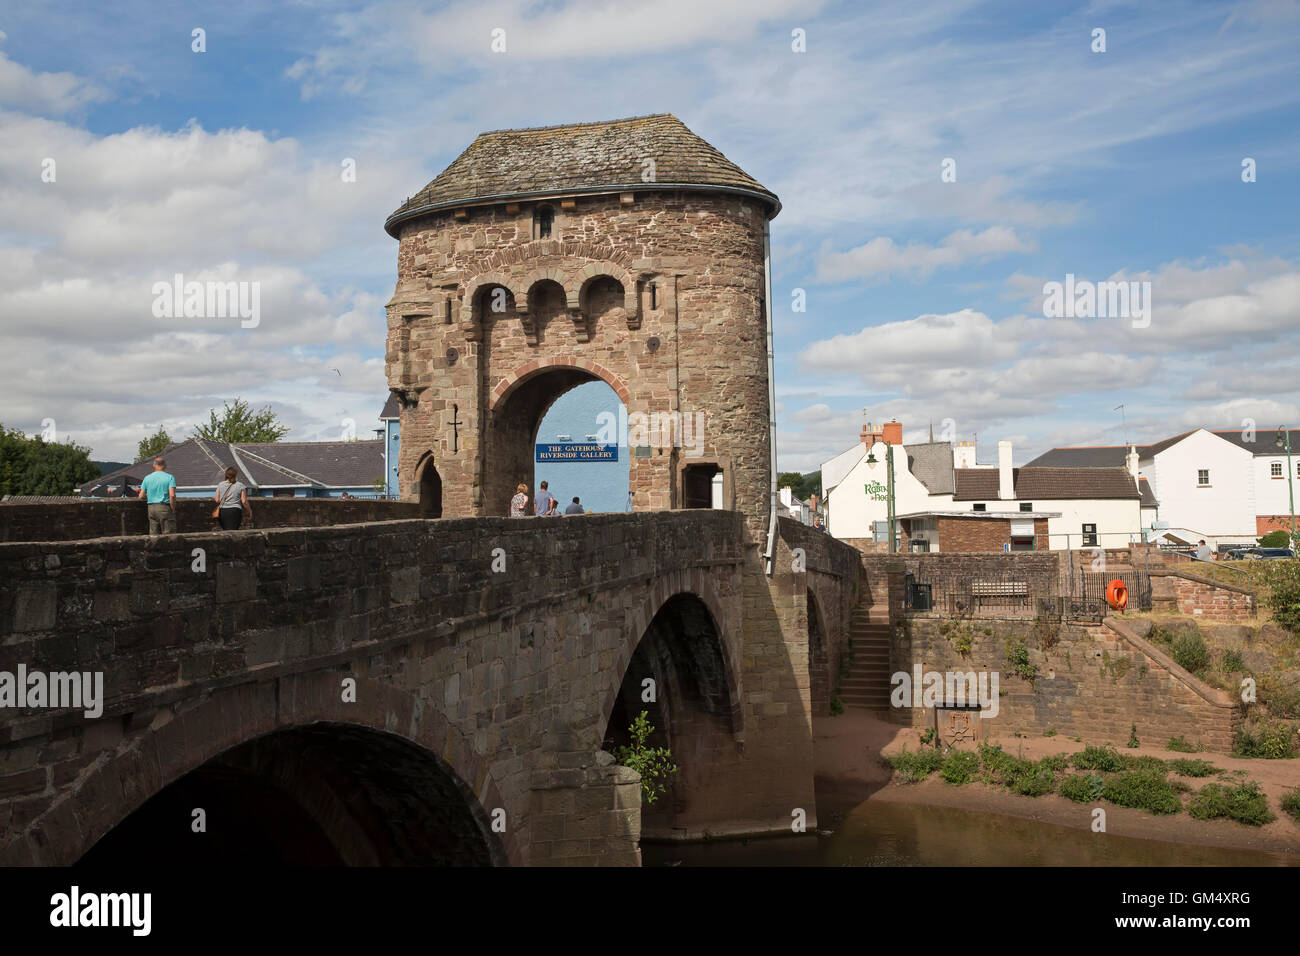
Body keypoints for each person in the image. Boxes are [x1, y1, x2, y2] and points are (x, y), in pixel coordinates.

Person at [137, 456, 177, 535]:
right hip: (164, 507)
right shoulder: (169, 477)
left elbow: (141, 496)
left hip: (151, 508)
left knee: (154, 535)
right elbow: (172, 495)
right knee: (169, 534)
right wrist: (173, 509)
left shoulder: (147, 478)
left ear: (154, 465)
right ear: (165, 465)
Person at [213, 466, 251, 530]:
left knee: (226, 531)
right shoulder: (240, 485)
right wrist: (249, 510)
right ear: (235, 475)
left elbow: (217, 500)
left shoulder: (220, 484)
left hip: (223, 511)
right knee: (234, 530)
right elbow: (244, 501)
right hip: (235, 511)